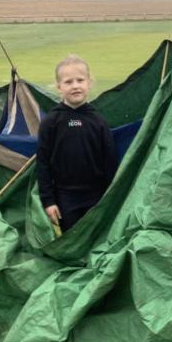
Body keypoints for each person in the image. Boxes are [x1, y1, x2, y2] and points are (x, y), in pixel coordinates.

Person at [36, 55, 117, 232]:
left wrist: (109, 197)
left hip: (97, 196)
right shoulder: (51, 122)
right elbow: (42, 163)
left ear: (89, 83)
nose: (75, 86)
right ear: (59, 87)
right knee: (72, 242)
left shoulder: (98, 121)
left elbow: (110, 162)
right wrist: (48, 201)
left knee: (95, 240)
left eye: (80, 80)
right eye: (68, 82)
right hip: (65, 196)